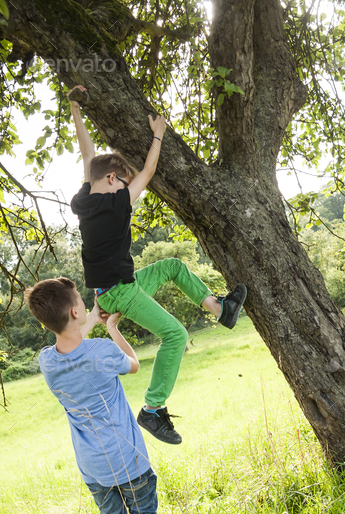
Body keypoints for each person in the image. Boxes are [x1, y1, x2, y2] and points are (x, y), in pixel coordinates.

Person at [67, 85, 247, 445]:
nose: (129, 187)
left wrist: (75, 108)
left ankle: (220, 309)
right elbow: (147, 172)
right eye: (125, 182)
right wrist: (158, 136)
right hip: (122, 291)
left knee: (172, 266)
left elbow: (88, 153)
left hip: (113, 291)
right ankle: (152, 409)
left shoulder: (86, 200)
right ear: (114, 180)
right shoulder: (117, 203)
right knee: (176, 334)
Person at [25, 275, 156, 514]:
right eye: (81, 303)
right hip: (126, 457)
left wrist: (88, 320)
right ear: (73, 312)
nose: (85, 304)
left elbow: (70, 343)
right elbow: (134, 365)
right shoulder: (102, 351)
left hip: (92, 465)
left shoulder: (48, 362)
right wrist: (112, 329)